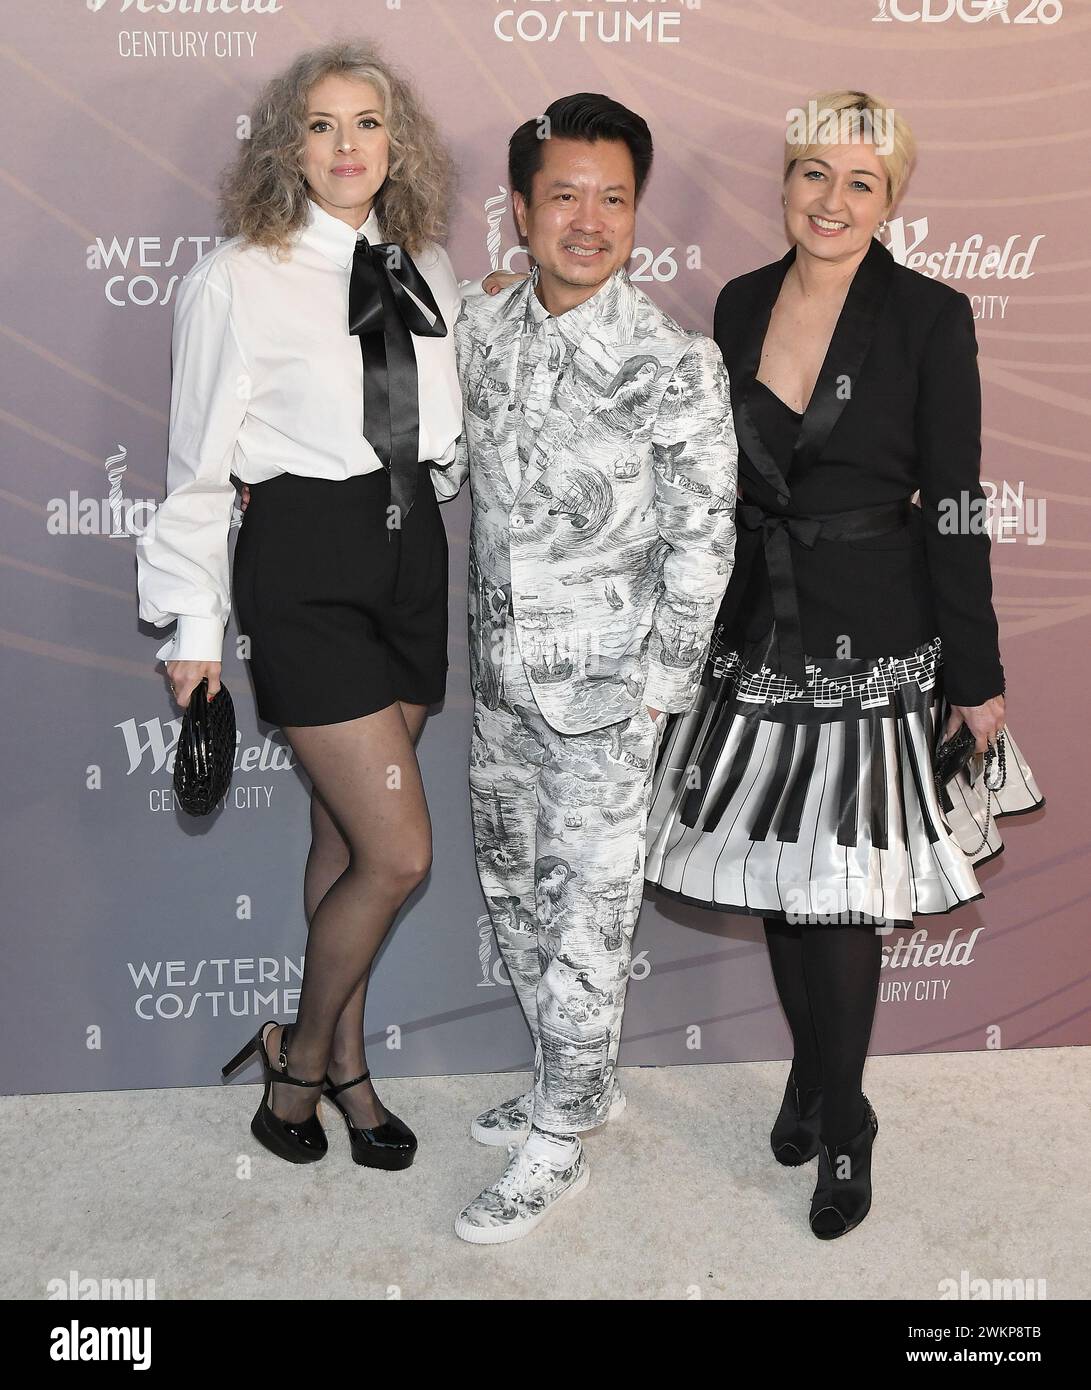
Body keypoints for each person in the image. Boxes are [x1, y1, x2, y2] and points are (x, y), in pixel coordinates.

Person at [645, 91, 1044, 1239]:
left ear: (891, 200)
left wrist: (972, 672)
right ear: (784, 184)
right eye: (811, 173)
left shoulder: (926, 315)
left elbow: (956, 500)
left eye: (859, 182)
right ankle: (813, 1075)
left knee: (838, 899)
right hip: (756, 628)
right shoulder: (732, 304)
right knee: (780, 870)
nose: (831, 200)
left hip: (874, 632)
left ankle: (849, 1115)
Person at [138, 40, 499, 1170]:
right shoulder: (234, 276)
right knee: (397, 855)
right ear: (285, 146)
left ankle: (344, 1068)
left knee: (342, 833)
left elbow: (437, 430)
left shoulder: (426, 265)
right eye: (321, 125)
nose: (347, 146)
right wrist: (194, 628)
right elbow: (196, 465)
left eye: (368, 124)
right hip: (306, 561)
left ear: (399, 145)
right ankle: (297, 1057)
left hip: (410, 560)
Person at [438, 93, 738, 1244]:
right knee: (512, 892)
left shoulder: (672, 361)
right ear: (517, 208)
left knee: (586, 922)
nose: (588, 220)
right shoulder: (480, 323)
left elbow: (703, 542)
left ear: (634, 214)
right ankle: (577, 1083)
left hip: (610, 701)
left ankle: (558, 1133)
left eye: (612, 198)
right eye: (562, 194)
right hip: (502, 686)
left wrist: (655, 695)